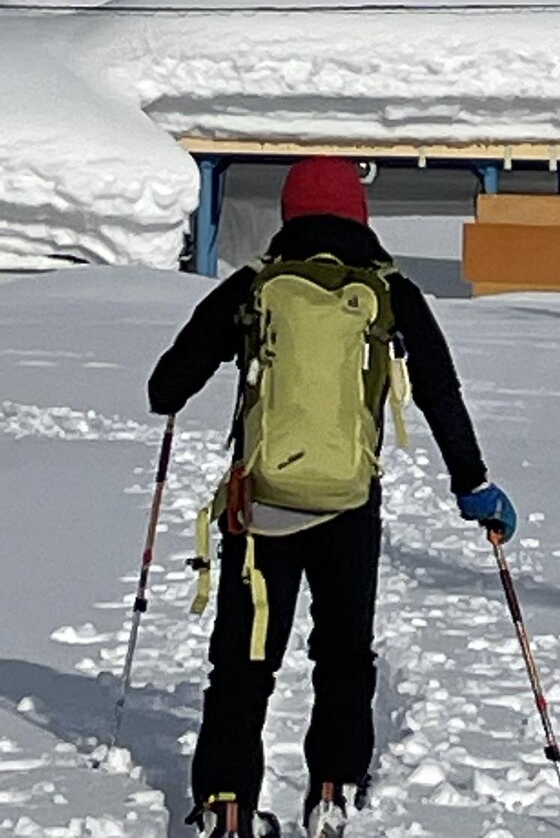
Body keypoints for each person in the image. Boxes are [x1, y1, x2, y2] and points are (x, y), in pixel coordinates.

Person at [148, 156, 517, 838]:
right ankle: (333, 791)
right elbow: (439, 389)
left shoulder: (256, 286)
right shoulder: (387, 290)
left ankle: (225, 806)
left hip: (259, 507)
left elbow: (165, 385)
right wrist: (473, 484)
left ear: (291, 212)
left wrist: (196, 380)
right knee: (344, 654)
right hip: (350, 505)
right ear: (359, 214)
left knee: (244, 661)